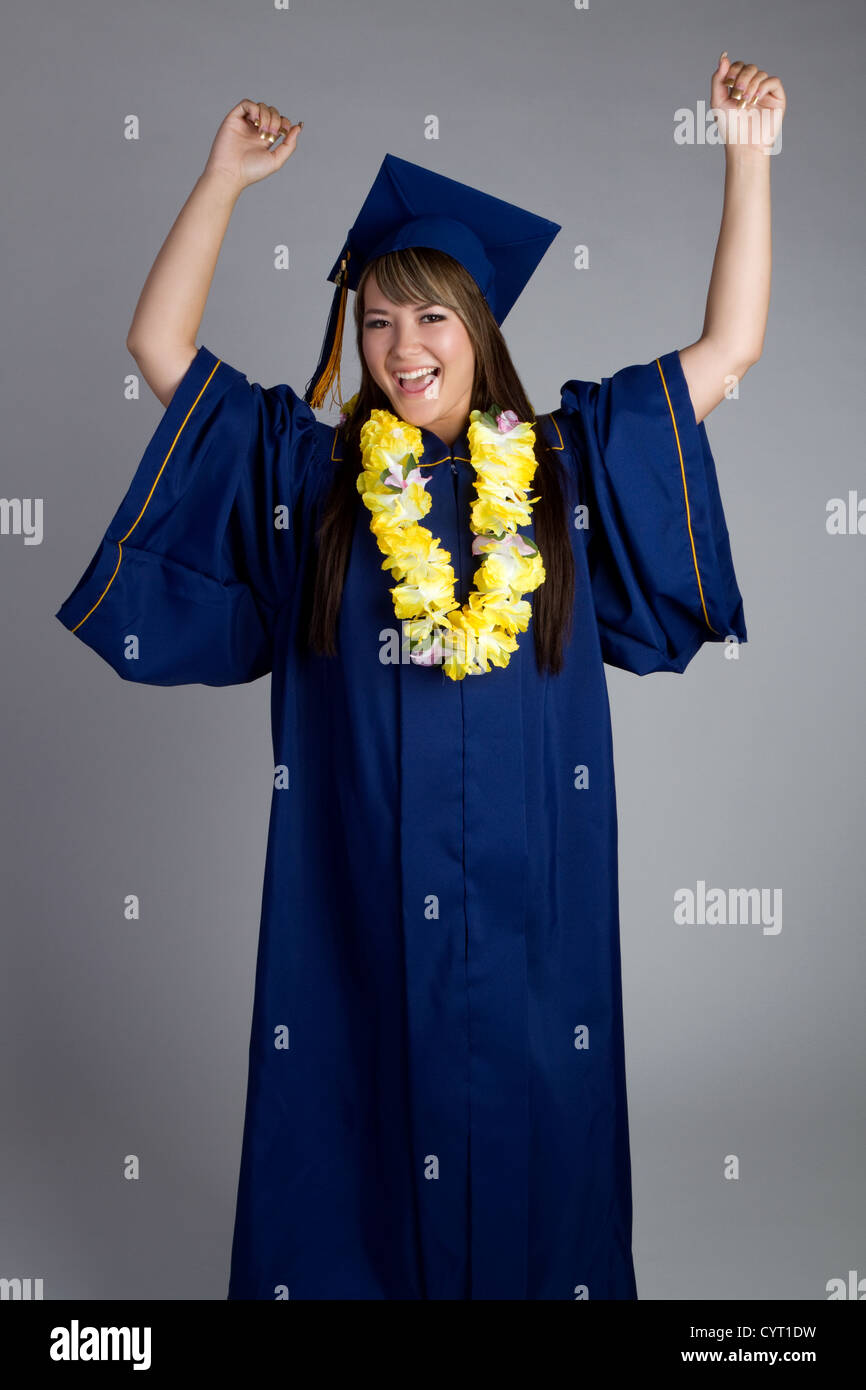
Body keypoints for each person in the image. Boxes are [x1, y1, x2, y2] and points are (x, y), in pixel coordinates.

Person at [55, 57, 784, 1299]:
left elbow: (730, 345)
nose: (402, 348)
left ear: (479, 329)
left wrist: (745, 153)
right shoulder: (309, 477)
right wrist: (223, 179)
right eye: (377, 320)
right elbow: (158, 344)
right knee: (348, 1113)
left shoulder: (564, 468)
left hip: (531, 901)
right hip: (353, 881)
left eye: (431, 317)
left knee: (535, 1128)